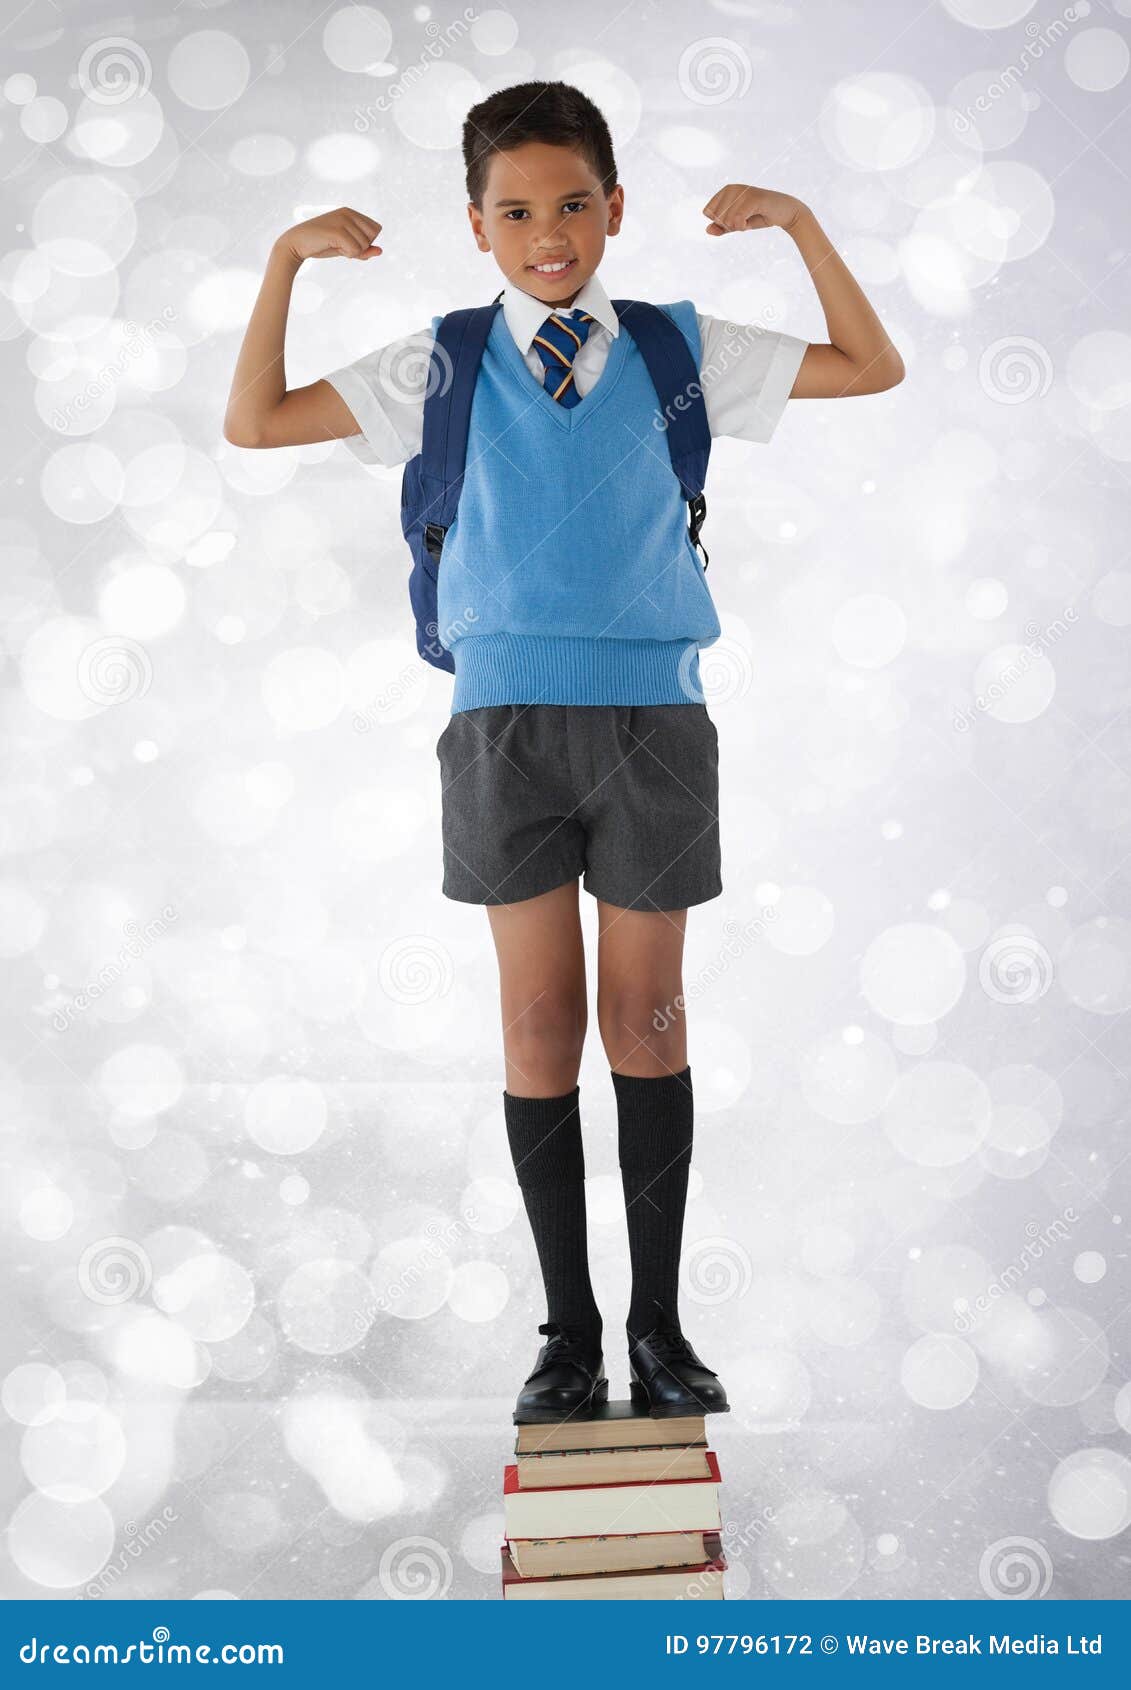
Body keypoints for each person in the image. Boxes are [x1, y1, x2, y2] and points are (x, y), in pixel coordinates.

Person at [224, 80, 904, 1425]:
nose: (551, 232)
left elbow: (870, 366)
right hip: (503, 725)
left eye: (575, 203)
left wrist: (804, 226)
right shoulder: (446, 363)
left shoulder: (675, 348)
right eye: (518, 209)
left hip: (653, 718)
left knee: (644, 1022)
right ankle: (568, 1330)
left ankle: (658, 1325)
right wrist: (283, 261)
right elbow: (255, 421)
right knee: (539, 1022)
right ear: (475, 225)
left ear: (615, 210)